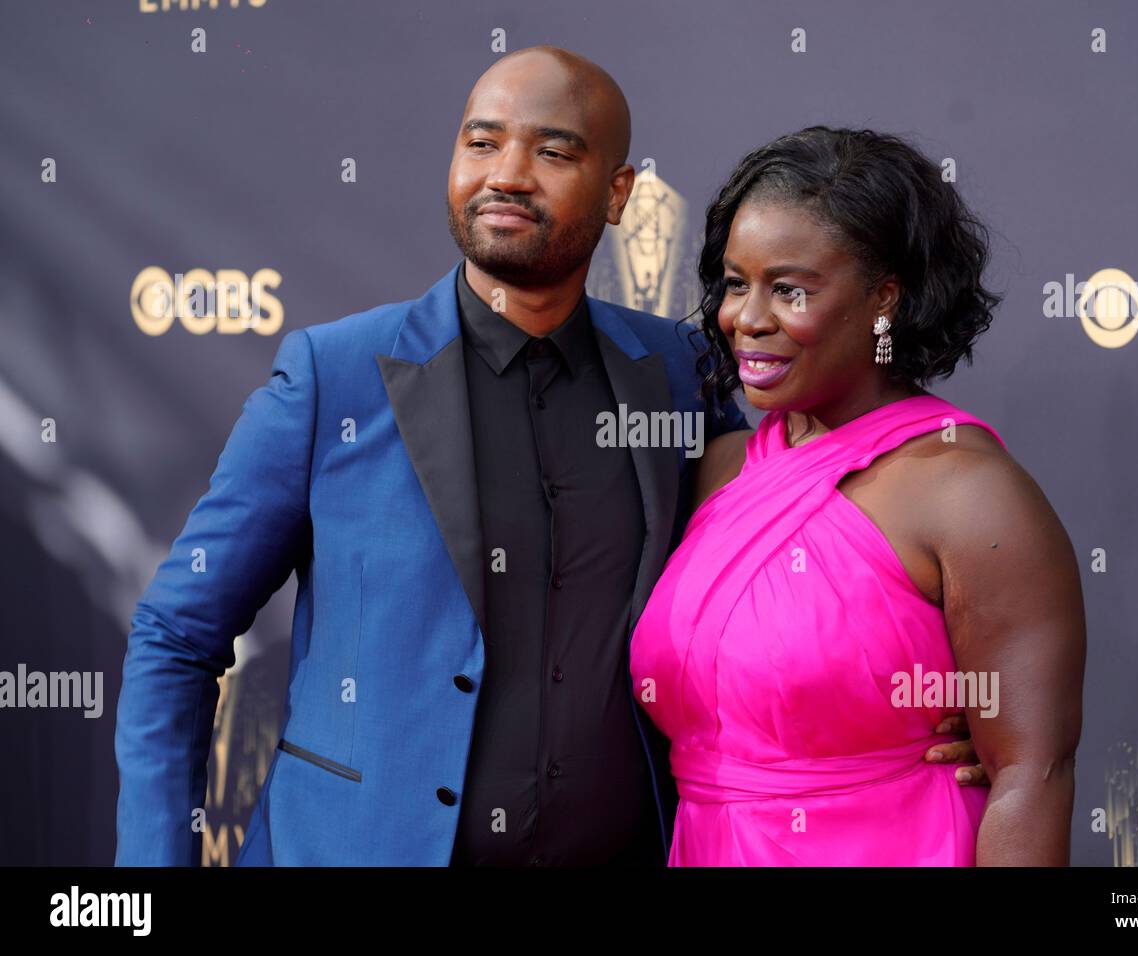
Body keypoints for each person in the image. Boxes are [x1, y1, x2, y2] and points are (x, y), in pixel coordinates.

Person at [114, 48, 988, 867]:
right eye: (481, 141)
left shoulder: (683, 375)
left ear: (618, 194)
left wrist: (927, 719)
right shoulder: (332, 378)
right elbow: (175, 635)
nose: (506, 174)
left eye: (551, 151)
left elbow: (826, 527)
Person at [630, 127, 1086, 865]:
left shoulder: (969, 494)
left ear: (884, 298)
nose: (746, 318)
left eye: (789, 289)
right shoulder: (721, 469)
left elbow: (1032, 773)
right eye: (736, 282)